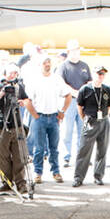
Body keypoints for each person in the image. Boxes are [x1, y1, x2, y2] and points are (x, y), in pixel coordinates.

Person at [24, 55, 72, 184]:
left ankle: (56, 172)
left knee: (54, 148)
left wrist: (62, 111)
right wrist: (35, 115)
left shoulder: (57, 79)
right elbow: (27, 100)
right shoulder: (34, 80)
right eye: (45, 63)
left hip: (54, 117)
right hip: (39, 117)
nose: (47, 65)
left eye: (49, 62)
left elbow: (68, 96)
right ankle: (37, 173)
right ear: (40, 65)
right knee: (38, 148)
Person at [0, 64, 33, 189]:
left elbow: (27, 100)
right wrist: (2, 93)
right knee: (3, 156)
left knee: (19, 155)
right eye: (11, 73)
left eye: (15, 73)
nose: (13, 75)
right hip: (2, 125)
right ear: (4, 73)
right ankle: (6, 182)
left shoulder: (18, 87)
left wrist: (23, 102)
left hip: (16, 124)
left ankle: (21, 182)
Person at [72, 67, 110, 188]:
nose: (101, 76)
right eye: (99, 73)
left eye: (103, 74)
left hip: (104, 121)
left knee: (102, 150)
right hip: (90, 120)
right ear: (94, 74)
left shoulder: (106, 89)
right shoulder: (85, 89)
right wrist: (86, 119)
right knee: (84, 151)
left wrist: (104, 116)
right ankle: (78, 177)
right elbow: (79, 106)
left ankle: (98, 176)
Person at [57, 40, 92, 171]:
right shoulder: (63, 66)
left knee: (82, 130)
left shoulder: (84, 66)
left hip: (83, 102)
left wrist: (83, 93)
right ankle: (66, 156)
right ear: (68, 52)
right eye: (73, 50)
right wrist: (75, 93)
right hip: (69, 101)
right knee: (67, 129)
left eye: (77, 49)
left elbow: (89, 81)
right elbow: (62, 83)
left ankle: (81, 156)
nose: (76, 52)